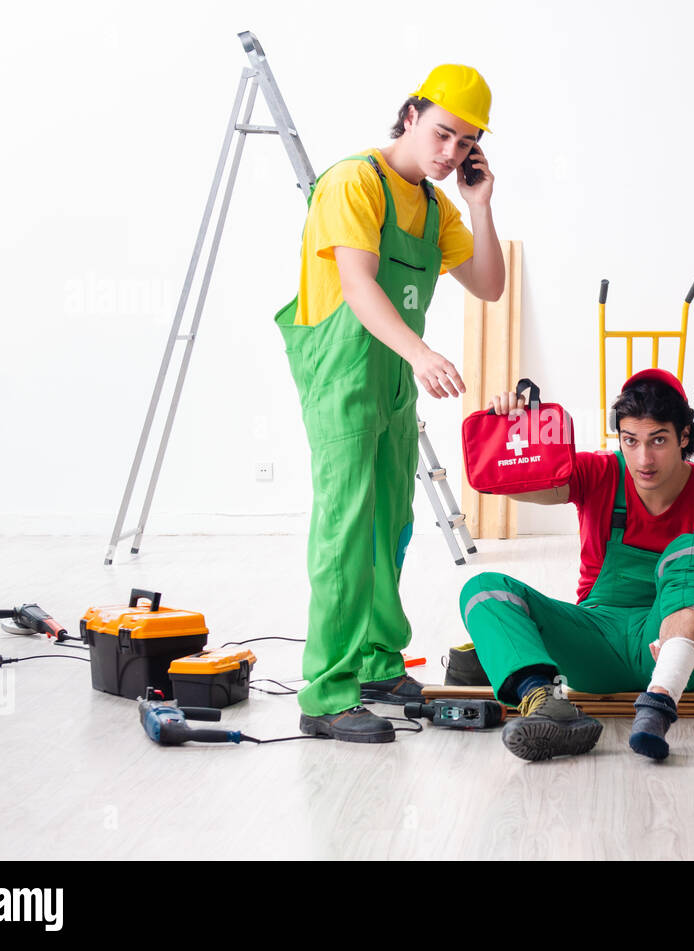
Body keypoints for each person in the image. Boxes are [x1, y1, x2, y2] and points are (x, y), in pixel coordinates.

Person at [274, 64, 505, 743]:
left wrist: (482, 203)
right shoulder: (354, 181)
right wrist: (422, 353)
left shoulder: (436, 208)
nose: (449, 153)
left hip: (395, 383)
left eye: (465, 144)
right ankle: (326, 693)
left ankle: (375, 664)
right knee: (345, 526)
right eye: (441, 134)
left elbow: (489, 283)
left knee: (388, 523)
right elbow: (356, 283)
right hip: (344, 374)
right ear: (410, 115)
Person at [459, 369, 694, 761]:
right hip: (596, 644)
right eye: (631, 441)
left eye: (658, 440)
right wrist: (511, 427)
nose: (644, 459)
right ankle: (545, 703)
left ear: (685, 437)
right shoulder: (599, 474)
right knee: (483, 589)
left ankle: (658, 704)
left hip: (686, 655)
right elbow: (500, 483)